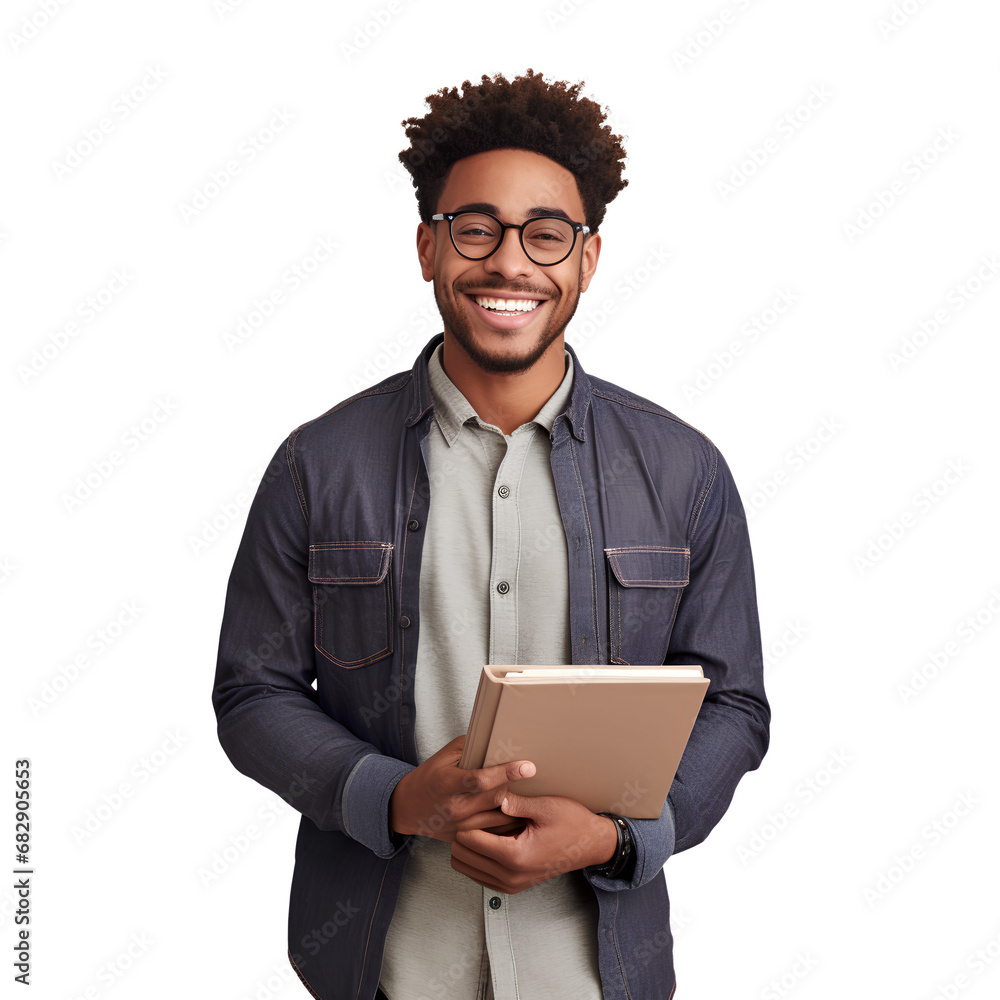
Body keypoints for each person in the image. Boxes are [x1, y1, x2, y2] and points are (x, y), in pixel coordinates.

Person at [213, 69, 770, 1000]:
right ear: (429, 248)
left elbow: (735, 705)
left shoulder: (685, 471)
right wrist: (392, 797)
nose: (511, 262)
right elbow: (252, 692)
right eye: (476, 228)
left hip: (596, 974)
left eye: (547, 234)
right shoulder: (317, 465)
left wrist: (621, 837)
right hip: (386, 967)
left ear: (587, 259)